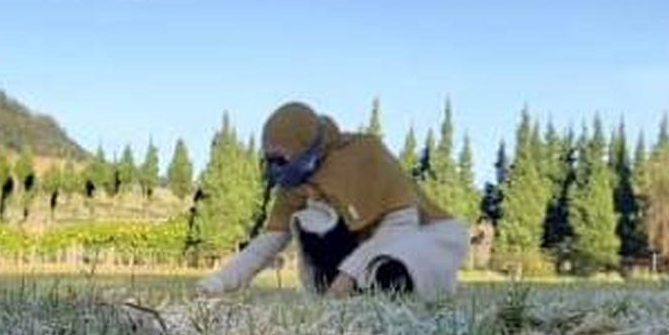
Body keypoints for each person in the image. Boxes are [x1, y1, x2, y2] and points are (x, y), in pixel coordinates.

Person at [197, 101, 470, 299]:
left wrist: (348, 276)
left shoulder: (367, 152)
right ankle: (340, 293)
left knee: (394, 270)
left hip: (415, 234)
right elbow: (267, 242)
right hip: (358, 249)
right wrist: (218, 283)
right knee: (313, 218)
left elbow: (401, 222)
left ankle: (385, 291)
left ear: (305, 146)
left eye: (279, 160)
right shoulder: (294, 182)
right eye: (268, 160)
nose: (274, 170)